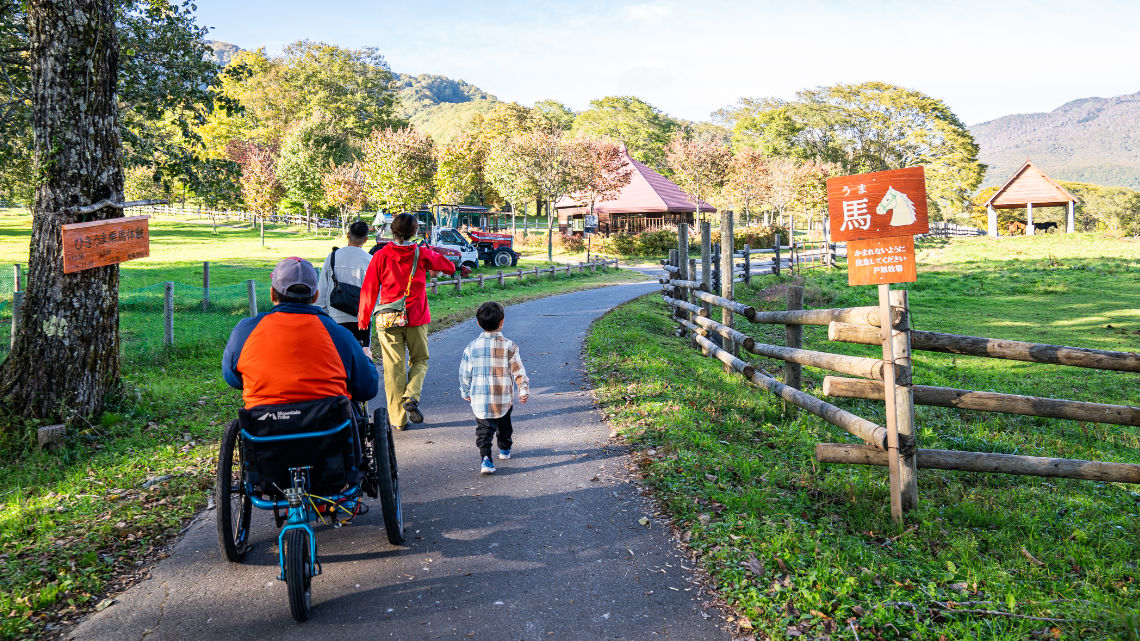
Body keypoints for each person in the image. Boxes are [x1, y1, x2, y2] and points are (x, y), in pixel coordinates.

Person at [223, 257, 378, 410]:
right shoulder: (338, 334)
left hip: (264, 425)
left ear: (272, 294)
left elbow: (232, 378)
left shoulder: (245, 331)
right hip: (327, 427)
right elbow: (367, 388)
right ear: (316, 296)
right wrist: (367, 359)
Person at [358, 213, 456, 430]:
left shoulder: (381, 256)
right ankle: (411, 397)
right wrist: (431, 254)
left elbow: (370, 288)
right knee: (420, 359)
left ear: (392, 230)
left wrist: (363, 318)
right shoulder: (421, 254)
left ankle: (398, 420)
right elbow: (449, 267)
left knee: (393, 368)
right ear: (415, 232)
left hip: (387, 318)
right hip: (417, 317)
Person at [459, 301, 530, 475]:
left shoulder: (471, 347)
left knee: (483, 431)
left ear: (478, 323)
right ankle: (505, 448)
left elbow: (464, 373)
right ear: (502, 321)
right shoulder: (509, 346)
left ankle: (486, 460)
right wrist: (523, 390)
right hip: (503, 398)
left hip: (480, 399)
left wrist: (465, 391)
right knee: (504, 426)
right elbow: (518, 371)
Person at [317, 220, 373, 356]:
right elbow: (374, 292)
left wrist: (322, 312)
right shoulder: (370, 260)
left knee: (338, 357)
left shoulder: (333, 257)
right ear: (366, 239)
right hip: (361, 318)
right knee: (362, 357)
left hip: (335, 316)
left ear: (348, 235)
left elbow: (323, 288)